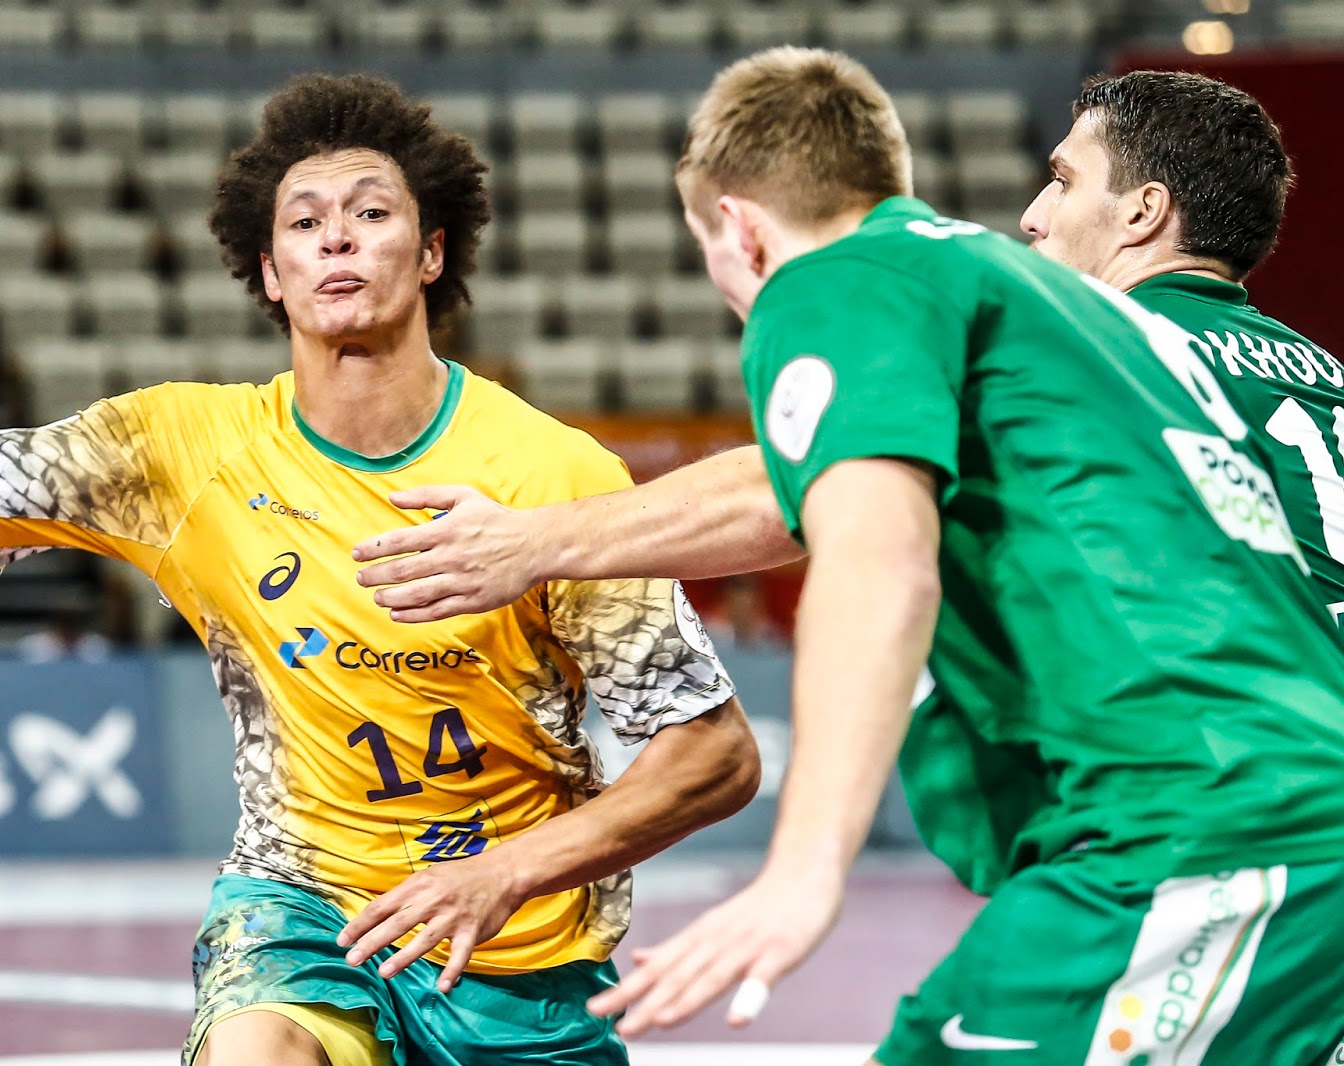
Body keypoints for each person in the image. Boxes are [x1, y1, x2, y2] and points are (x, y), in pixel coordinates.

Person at [352, 48, 1344, 1062]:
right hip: (1263, 805)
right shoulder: (1033, 296)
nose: (1035, 211)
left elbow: (875, 554)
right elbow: (796, 486)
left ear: (736, 227)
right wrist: (531, 541)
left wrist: (803, 866)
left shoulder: (836, 279)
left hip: (1195, 826)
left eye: (1058, 177)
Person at [0, 73, 759, 1066]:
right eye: (306, 222)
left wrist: (505, 872)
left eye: (371, 212)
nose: (337, 237)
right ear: (270, 270)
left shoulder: (554, 474)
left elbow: (714, 756)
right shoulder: (177, 452)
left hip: (519, 960)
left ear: (431, 251)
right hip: (302, 915)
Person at [1022, 69, 1344, 622]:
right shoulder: (1327, 371)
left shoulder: (1095, 354)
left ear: (1142, 211)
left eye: (1065, 182)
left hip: (1251, 700)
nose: (1034, 217)